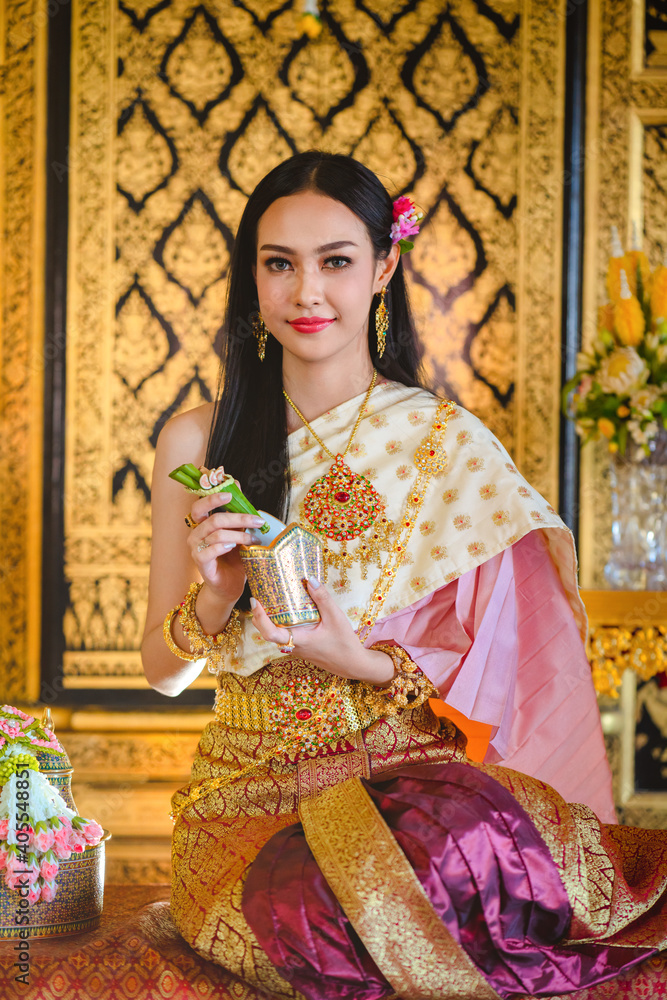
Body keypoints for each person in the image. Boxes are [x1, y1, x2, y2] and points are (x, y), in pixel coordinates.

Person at [142, 152, 667, 999]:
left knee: (463, 863)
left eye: (336, 262)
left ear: (384, 266)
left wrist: (357, 661)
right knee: (325, 907)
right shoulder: (197, 440)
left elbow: (497, 668)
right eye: (280, 264)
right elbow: (162, 675)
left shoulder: (444, 444)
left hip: (408, 782)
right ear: (252, 277)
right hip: (248, 797)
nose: (307, 293)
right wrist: (216, 595)